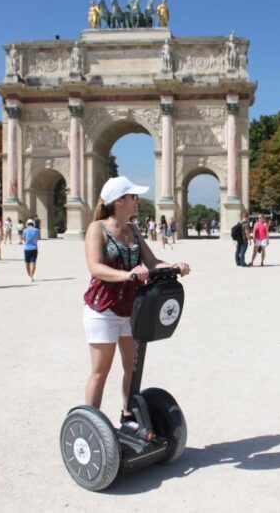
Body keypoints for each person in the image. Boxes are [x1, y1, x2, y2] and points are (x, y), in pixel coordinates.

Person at [82, 176, 190, 421]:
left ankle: (128, 415)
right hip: (103, 310)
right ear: (119, 201)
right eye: (133, 196)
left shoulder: (132, 229)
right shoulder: (96, 228)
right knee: (100, 371)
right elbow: (95, 268)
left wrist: (174, 266)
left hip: (130, 308)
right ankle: (91, 423)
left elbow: (151, 262)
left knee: (132, 367)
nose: (137, 200)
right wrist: (127, 274)